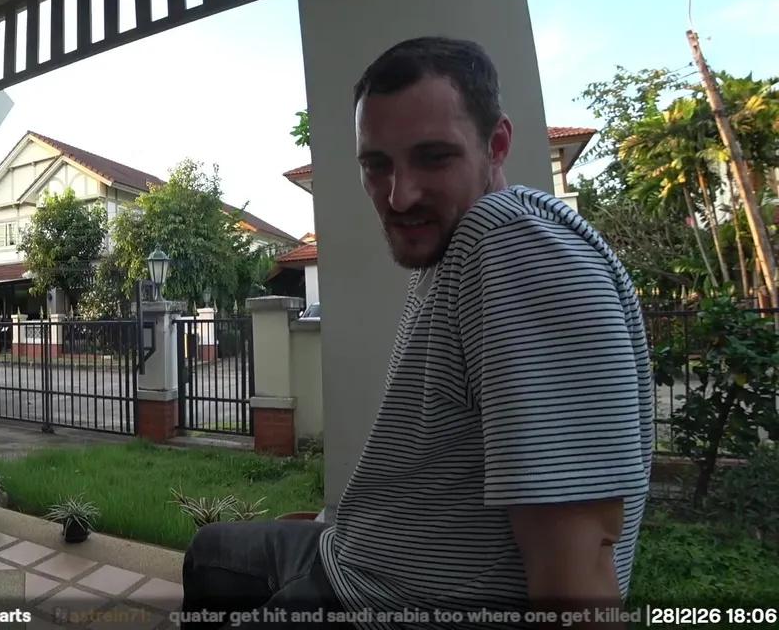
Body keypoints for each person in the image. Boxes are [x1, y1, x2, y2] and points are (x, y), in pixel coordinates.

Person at [180, 36, 654, 628]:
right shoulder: (454, 249)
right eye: (376, 164)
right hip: (358, 558)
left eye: (433, 157)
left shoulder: (512, 247)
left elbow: (580, 566)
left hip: (389, 604)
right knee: (210, 553)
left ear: (496, 145)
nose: (399, 196)